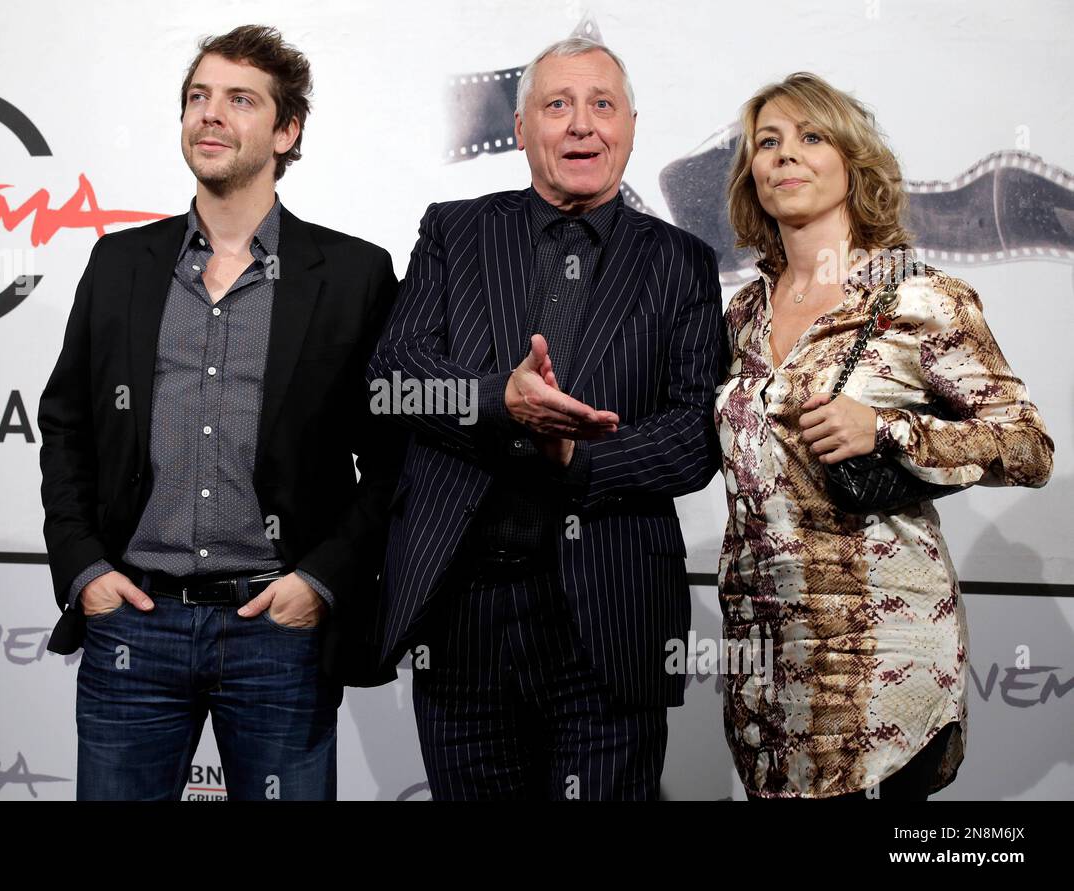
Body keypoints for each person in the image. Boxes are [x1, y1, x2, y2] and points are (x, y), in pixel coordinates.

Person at [38, 25, 403, 801]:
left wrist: (321, 580)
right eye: (198, 98)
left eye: (241, 100)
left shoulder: (353, 275)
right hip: (132, 624)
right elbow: (66, 423)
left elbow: (394, 457)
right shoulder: (118, 263)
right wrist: (83, 569)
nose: (211, 115)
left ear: (286, 129)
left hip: (278, 631)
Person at [368, 37, 726, 800]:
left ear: (631, 124)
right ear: (523, 128)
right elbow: (394, 376)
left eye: (603, 104)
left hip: (612, 616)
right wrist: (501, 400)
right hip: (462, 611)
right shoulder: (455, 231)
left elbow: (696, 434)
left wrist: (576, 457)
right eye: (556, 105)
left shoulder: (683, 262)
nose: (581, 125)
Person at [716, 71, 1054, 800]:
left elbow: (1029, 445)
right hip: (766, 658)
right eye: (767, 143)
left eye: (811, 137)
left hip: (880, 656)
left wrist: (888, 429)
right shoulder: (742, 312)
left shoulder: (917, 296)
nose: (785, 155)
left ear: (852, 161)